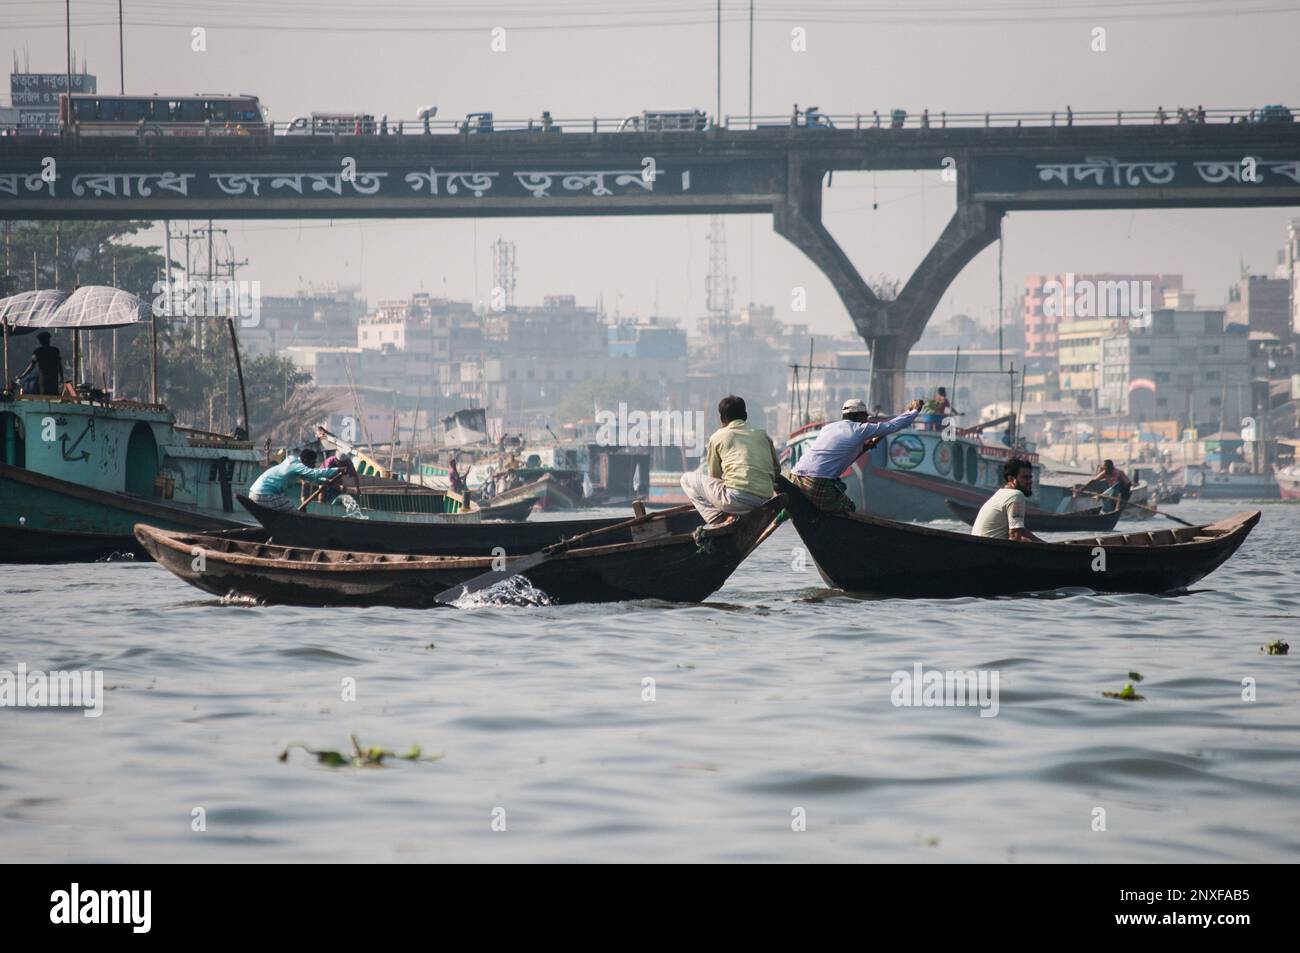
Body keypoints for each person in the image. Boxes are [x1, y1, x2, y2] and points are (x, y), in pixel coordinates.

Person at [789, 398, 924, 512]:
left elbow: (840, 453)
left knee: (837, 487)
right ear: (860, 417)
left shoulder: (828, 428)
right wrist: (914, 411)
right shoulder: (860, 429)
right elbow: (893, 425)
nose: (866, 420)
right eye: (865, 417)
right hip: (817, 482)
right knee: (849, 507)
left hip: (795, 477)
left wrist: (866, 446)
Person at [680, 395, 779, 526]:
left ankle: (718, 520)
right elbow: (776, 470)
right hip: (764, 501)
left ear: (722, 419)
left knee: (686, 479)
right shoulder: (763, 435)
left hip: (734, 500)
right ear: (745, 415)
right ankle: (730, 513)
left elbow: (714, 476)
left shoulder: (717, 437)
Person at [972, 458, 1042, 542]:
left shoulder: (1000, 493)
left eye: (1030, 477)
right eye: (1025, 478)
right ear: (1011, 479)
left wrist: (1042, 543)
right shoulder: (1016, 495)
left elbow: (1020, 530)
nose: (1030, 481)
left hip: (980, 547)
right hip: (990, 550)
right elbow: (1015, 536)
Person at [248, 449, 339, 512]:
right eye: (313, 462)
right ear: (306, 460)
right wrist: (337, 470)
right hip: (263, 495)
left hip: (254, 493)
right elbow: (313, 473)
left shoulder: (294, 465)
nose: (314, 465)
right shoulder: (296, 465)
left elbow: (311, 478)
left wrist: (323, 482)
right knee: (292, 510)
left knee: (287, 510)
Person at [17, 331, 64, 396]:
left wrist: (22, 375)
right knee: (52, 395)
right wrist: (61, 377)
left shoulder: (38, 351)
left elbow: (31, 366)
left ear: (40, 341)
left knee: (45, 396)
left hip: (46, 378)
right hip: (51, 378)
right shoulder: (54, 350)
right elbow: (59, 365)